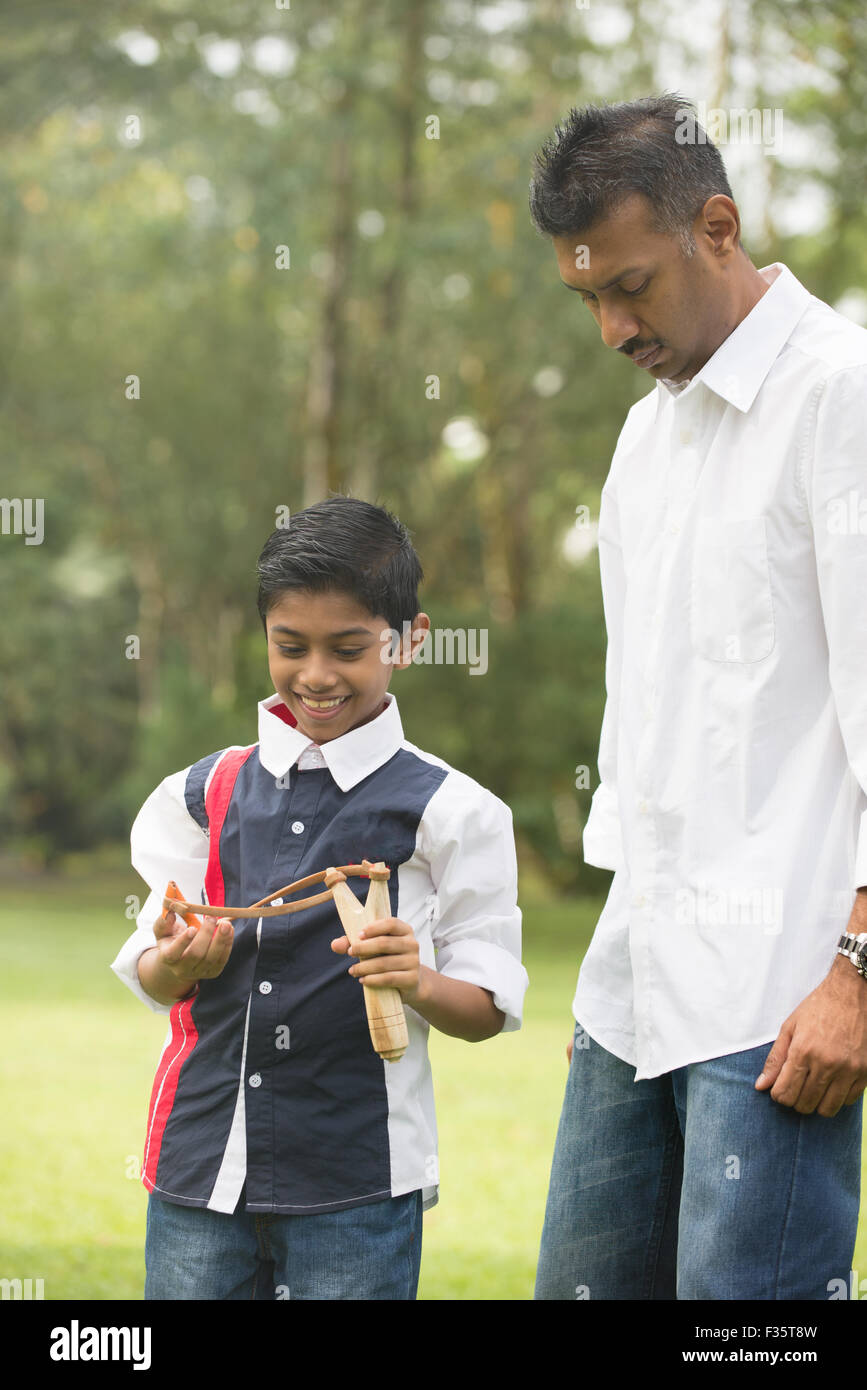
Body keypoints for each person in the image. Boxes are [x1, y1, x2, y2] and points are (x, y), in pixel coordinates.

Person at [528, 94, 867, 1300]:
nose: (612, 327)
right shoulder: (643, 442)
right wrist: (615, 962)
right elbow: (646, 727)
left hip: (781, 1001)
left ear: (716, 225)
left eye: (630, 287)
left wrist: (857, 973)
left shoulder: (843, 398)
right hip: (635, 988)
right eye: (587, 300)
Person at [111, 495, 528, 1300]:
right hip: (200, 1170)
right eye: (289, 646)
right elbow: (155, 976)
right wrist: (176, 958)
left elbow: (485, 1007)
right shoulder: (200, 793)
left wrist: (417, 978)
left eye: (347, 648)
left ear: (408, 640)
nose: (316, 676)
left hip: (357, 1185)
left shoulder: (454, 812)